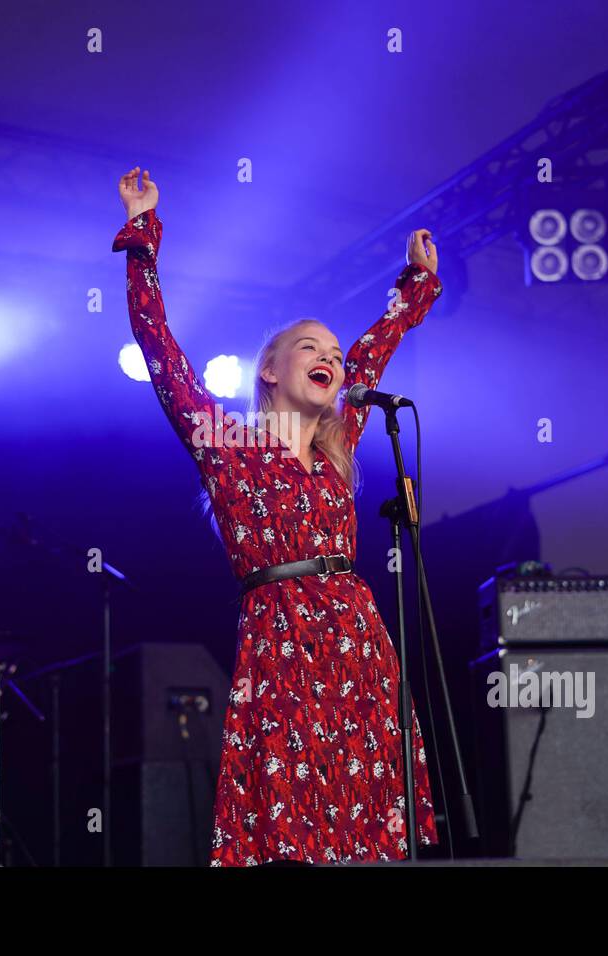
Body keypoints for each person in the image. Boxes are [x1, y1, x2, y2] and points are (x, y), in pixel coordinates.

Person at [113, 167, 444, 865]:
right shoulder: (227, 446)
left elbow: (374, 349)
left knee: (365, 825)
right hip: (281, 627)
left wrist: (413, 289)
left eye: (333, 353)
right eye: (310, 348)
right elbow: (160, 352)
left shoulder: (342, 443)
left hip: (353, 629)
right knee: (290, 824)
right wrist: (144, 236)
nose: (329, 357)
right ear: (269, 370)